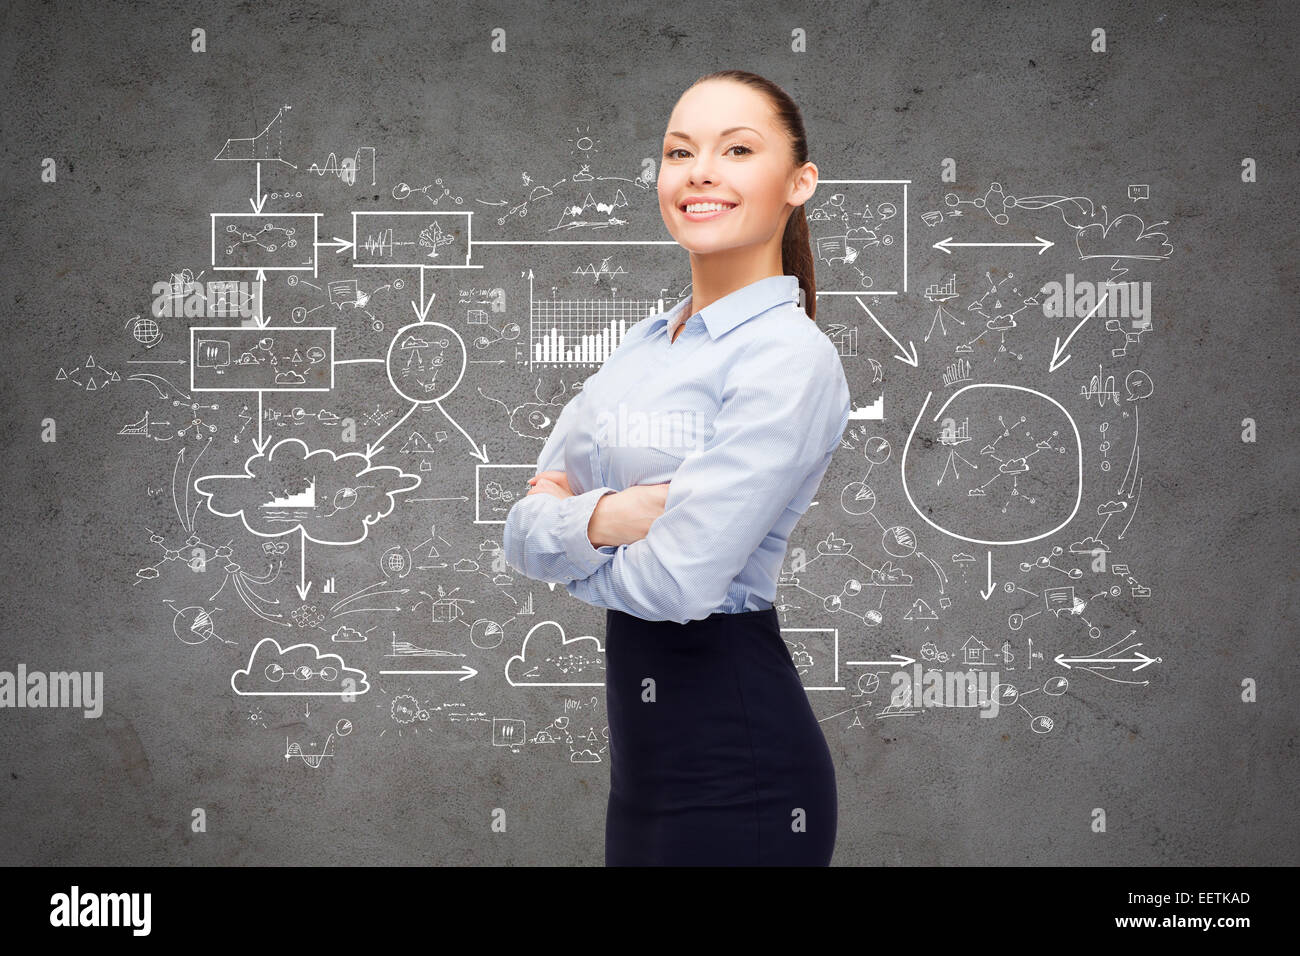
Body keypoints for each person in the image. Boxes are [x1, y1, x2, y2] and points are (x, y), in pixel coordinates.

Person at [502, 70, 851, 866]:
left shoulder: (788, 356)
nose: (700, 170)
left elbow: (678, 585)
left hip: (743, 770)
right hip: (643, 779)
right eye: (678, 150)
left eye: (737, 149)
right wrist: (613, 518)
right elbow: (519, 531)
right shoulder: (643, 344)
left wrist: (569, 539)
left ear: (799, 183)